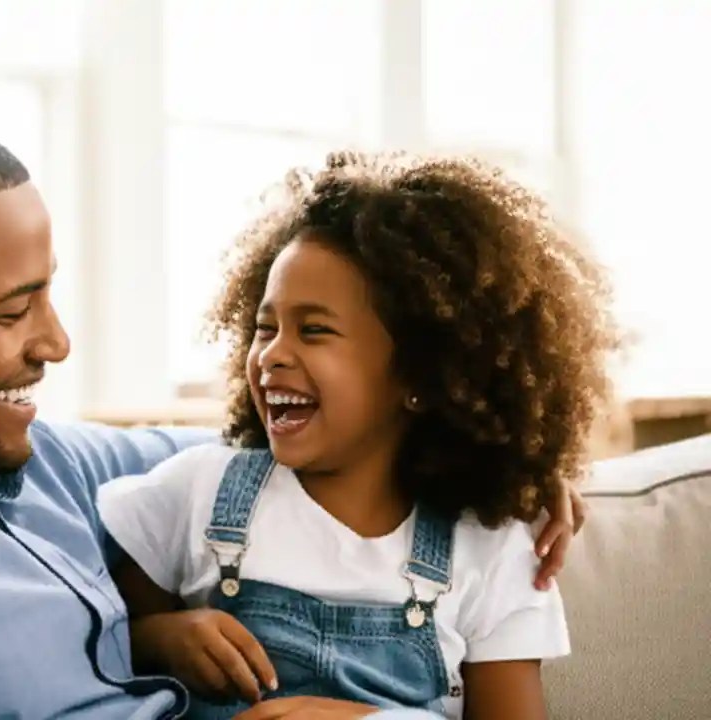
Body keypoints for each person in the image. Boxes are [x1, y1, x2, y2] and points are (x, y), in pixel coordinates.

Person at [0, 114, 583, 719]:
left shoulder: (42, 465)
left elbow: (300, 462)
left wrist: (502, 459)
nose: (57, 344)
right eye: (12, 311)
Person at [99, 152, 616, 719]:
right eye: (264, 328)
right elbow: (99, 641)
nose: (272, 355)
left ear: (421, 375)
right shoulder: (197, 493)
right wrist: (164, 638)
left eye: (314, 330)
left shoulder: (490, 550)